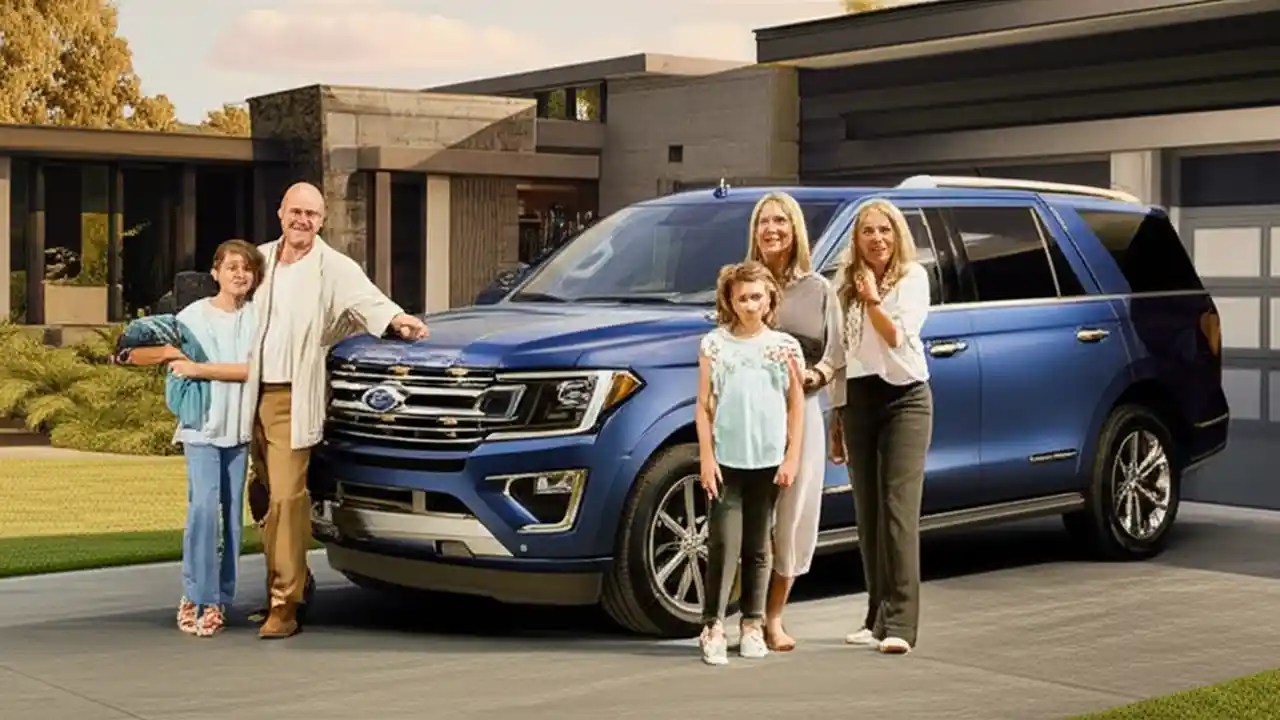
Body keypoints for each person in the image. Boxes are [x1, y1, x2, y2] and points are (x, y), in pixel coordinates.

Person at [242, 181, 429, 639]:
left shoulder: (333, 267)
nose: (303, 220)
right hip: (245, 396)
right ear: (279, 212)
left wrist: (398, 320)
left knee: (287, 499)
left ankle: (284, 604)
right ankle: (292, 584)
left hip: (292, 396)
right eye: (296, 211)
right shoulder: (258, 260)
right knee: (265, 497)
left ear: (322, 220)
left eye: (312, 214)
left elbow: (368, 301)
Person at [117, 239, 263, 637]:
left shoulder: (258, 318)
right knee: (202, 511)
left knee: (232, 516)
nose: (239, 273)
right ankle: (196, 596)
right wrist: (171, 355)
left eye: (246, 267)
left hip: (239, 431)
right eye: (231, 266)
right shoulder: (192, 316)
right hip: (202, 428)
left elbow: (255, 370)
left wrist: (199, 369)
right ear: (215, 272)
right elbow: (127, 354)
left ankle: (219, 597)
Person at [827, 197, 934, 655]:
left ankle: (902, 625)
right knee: (868, 512)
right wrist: (836, 413)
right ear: (857, 238)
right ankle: (875, 617)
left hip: (905, 397)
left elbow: (896, 336)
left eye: (885, 230)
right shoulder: (844, 287)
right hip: (859, 398)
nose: (877, 239)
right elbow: (839, 355)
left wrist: (873, 299)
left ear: (898, 235)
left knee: (897, 512)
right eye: (868, 231)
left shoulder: (912, 279)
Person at [695, 261, 805, 666]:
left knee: (760, 546)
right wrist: (706, 457)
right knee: (724, 543)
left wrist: (791, 457)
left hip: (768, 461)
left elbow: (796, 406)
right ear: (730, 300)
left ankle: (752, 624)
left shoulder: (785, 347)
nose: (749, 304)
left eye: (756, 296)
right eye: (741, 297)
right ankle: (712, 626)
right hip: (727, 462)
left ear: (770, 297)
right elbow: (703, 405)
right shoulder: (714, 345)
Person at [744, 192, 841, 653]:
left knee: (793, 518)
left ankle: (774, 617)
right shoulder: (742, 283)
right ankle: (745, 616)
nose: (772, 229)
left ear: (795, 228)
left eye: (781, 220)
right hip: (747, 417)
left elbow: (835, 354)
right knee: (749, 517)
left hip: (801, 415)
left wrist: (815, 375)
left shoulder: (818, 289)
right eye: (764, 221)